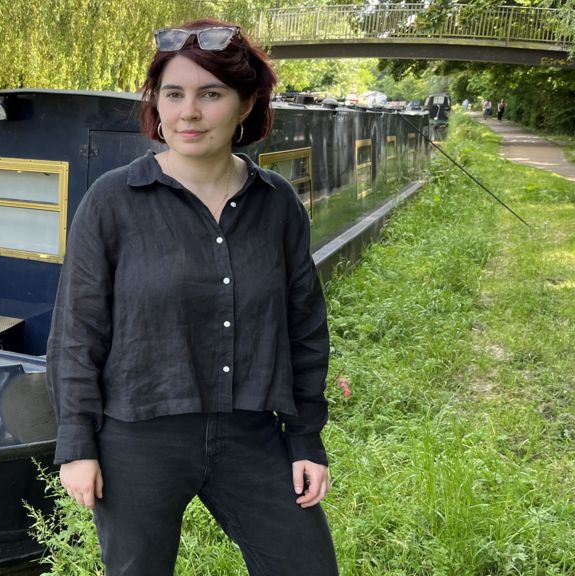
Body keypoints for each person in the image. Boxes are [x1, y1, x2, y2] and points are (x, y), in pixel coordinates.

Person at [47, 18, 338, 576]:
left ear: (246, 103)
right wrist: (77, 443)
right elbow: (77, 332)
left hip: (251, 433)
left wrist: (305, 440)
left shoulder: (276, 204)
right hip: (138, 438)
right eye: (173, 94)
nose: (188, 113)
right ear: (156, 102)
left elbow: (305, 327)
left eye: (211, 94)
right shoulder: (112, 201)